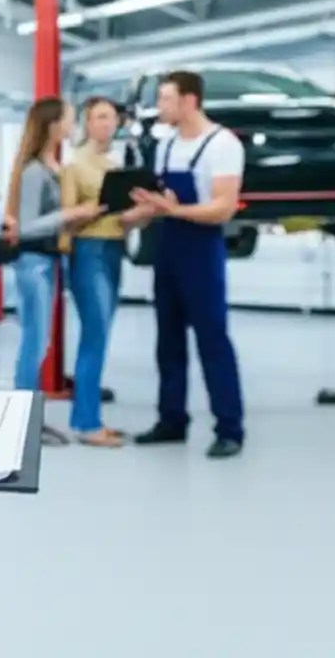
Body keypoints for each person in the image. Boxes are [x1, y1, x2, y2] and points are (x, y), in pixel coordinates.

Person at [131, 70, 247, 459]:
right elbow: (161, 200)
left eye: (166, 99)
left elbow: (223, 208)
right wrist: (136, 212)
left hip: (202, 250)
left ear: (189, 101)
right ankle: (172, 420)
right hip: (168, 247)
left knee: (212, 340)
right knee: (168, 341)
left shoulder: (222, 144)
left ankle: (230, 428)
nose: (159, 107)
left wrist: (174, 210)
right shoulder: (165, 144)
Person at [58, 98, 153, 447]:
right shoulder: (75, 164)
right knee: (94, 335)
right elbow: (66, 218)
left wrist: (140, 214)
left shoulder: (115, 166)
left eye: (111, 118)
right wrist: (95, 210)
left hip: (115, 250)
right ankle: (87, 423)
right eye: (99, 117)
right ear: (87, 122)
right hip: (88, 252)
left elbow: (122, 220)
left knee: (101, 334)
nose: (107, 123)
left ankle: (89, 417)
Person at [4, 97, 104, 395]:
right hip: (33, 262)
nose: (74, 125)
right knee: (35, 340)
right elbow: (27, 227)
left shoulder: (55, 167)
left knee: (39, 339)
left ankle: (27, 406)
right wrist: (71, 213)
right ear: (54, 125)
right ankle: (23, 409)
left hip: (48, 261)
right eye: (70, 119)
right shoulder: (35, 170)